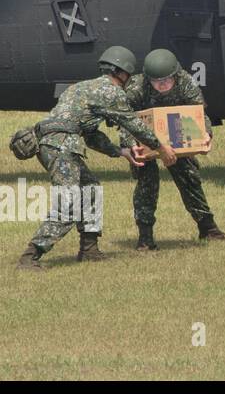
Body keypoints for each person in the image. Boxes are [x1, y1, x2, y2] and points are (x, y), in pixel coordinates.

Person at [16, 47, 161, 271]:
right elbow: (133, 124)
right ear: (123, 73)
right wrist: (162, 147)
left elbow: (91, 134)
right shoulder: (110, 91)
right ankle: (30, 256)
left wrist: (120, 152)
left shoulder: (82, 87)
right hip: (62, 146)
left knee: (91, 188)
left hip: (55, 144)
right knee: (70, 203)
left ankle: (89, 249)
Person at [122, 48, 225, 250]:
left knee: (190, 177)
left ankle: (208, 228)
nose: (162, 85)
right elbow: (124, 121)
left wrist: (206, 134)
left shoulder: (186, 82)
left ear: (175, 75)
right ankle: (145, 238)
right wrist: (130, 145)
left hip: (176, 136)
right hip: (143, 139)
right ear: (148, 79)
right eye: (156, 81)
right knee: (147, 184)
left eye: (166, 80)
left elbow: (199, 112)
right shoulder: (135, 88)